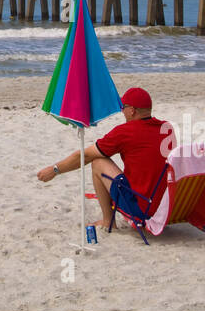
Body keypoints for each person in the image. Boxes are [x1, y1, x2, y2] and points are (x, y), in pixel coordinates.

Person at [36, 88, 175, 231]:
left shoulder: (125, 131)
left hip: (142, 209)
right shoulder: (167, 128)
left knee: (97, 161)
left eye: (124, 107)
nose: (122, 111)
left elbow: (85, 155)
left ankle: (108, 221)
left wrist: (54, 170)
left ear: (132, 110)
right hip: (164, 207)